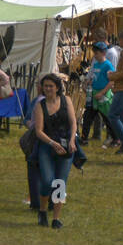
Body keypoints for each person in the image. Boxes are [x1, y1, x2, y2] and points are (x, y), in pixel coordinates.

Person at [32, 73, 77, 229]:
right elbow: (38, 131)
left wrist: (72, 140)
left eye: (51, 86)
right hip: (47, 146)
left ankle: (56, 218)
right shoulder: (40, 105)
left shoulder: (67, 101)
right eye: (45, 86)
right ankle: (43, 210)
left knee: (60, 182)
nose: (48, 89)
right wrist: (52, 143)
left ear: (57, 87)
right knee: (47, 180)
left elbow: (73, 122)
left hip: (65, 146)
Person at [81, 42, 116, 147]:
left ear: (103, 53)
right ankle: (84, 138)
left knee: (107, 118)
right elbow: (95, 77)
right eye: (94, 53)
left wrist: (102, 93)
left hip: (103, 95)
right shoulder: (96, 64)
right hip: (94, 94)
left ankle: (115, 138)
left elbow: (111, 81)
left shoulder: (108, 65)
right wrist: (88, 82)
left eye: (96, 53)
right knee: (87, 116)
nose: (95, 55)